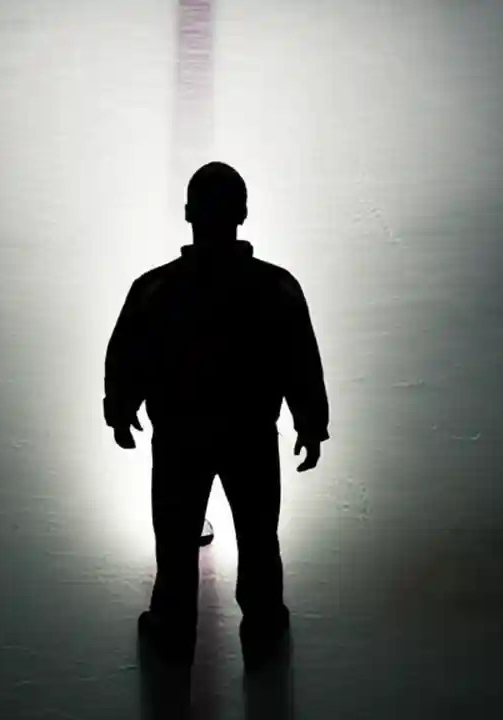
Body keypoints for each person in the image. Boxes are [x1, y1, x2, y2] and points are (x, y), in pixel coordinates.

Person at [103, 161, 330, 668]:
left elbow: (127, 352)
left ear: (187, 213)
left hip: (180, 437)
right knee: (257, 535)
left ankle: (172, 623)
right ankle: (265, 621)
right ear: (243, 214)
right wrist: (310, 422)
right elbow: (300, 359)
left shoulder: (156, 288)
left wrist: (120, 407)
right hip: (250, 435)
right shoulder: (275, 287)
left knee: (177, 538)